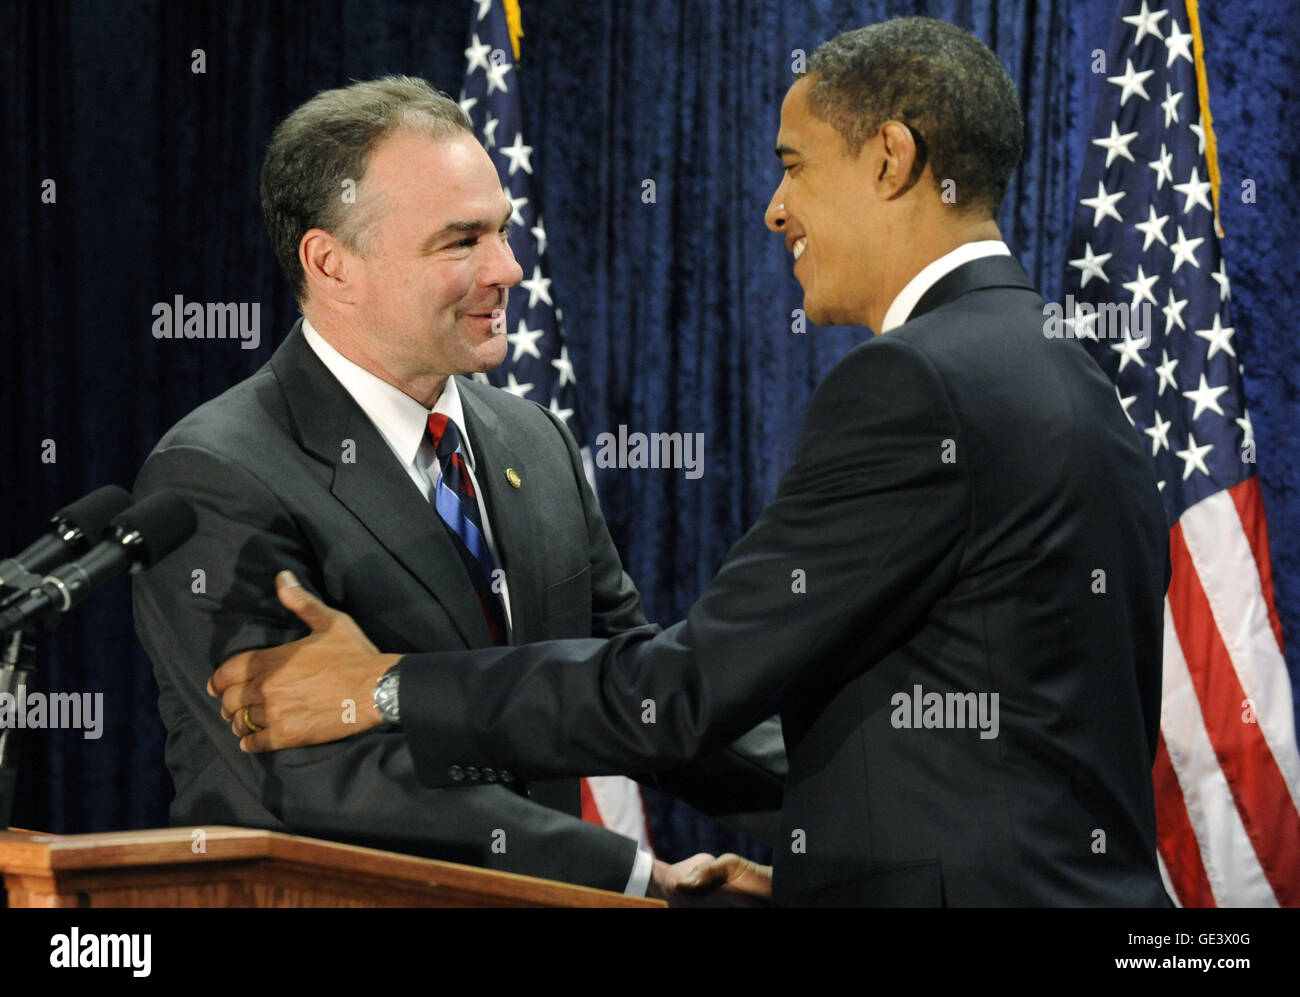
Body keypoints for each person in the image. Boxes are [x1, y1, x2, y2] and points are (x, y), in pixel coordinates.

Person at [211, 20, 1172, 906]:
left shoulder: (915, 383)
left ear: (890, 159)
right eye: (461, 238)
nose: (774, 208)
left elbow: (680, 693)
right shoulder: (1066, 371)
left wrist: (381, 686)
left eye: (794, 166)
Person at [133, 75, 785, 903]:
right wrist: (631, 876)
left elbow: (638, 695)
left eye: (503, 231)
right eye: (461, 241)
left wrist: (846, 810)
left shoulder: (531, 440)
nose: (508, 266)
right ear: (333, 264)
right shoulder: (217, 473)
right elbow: (314, 772)